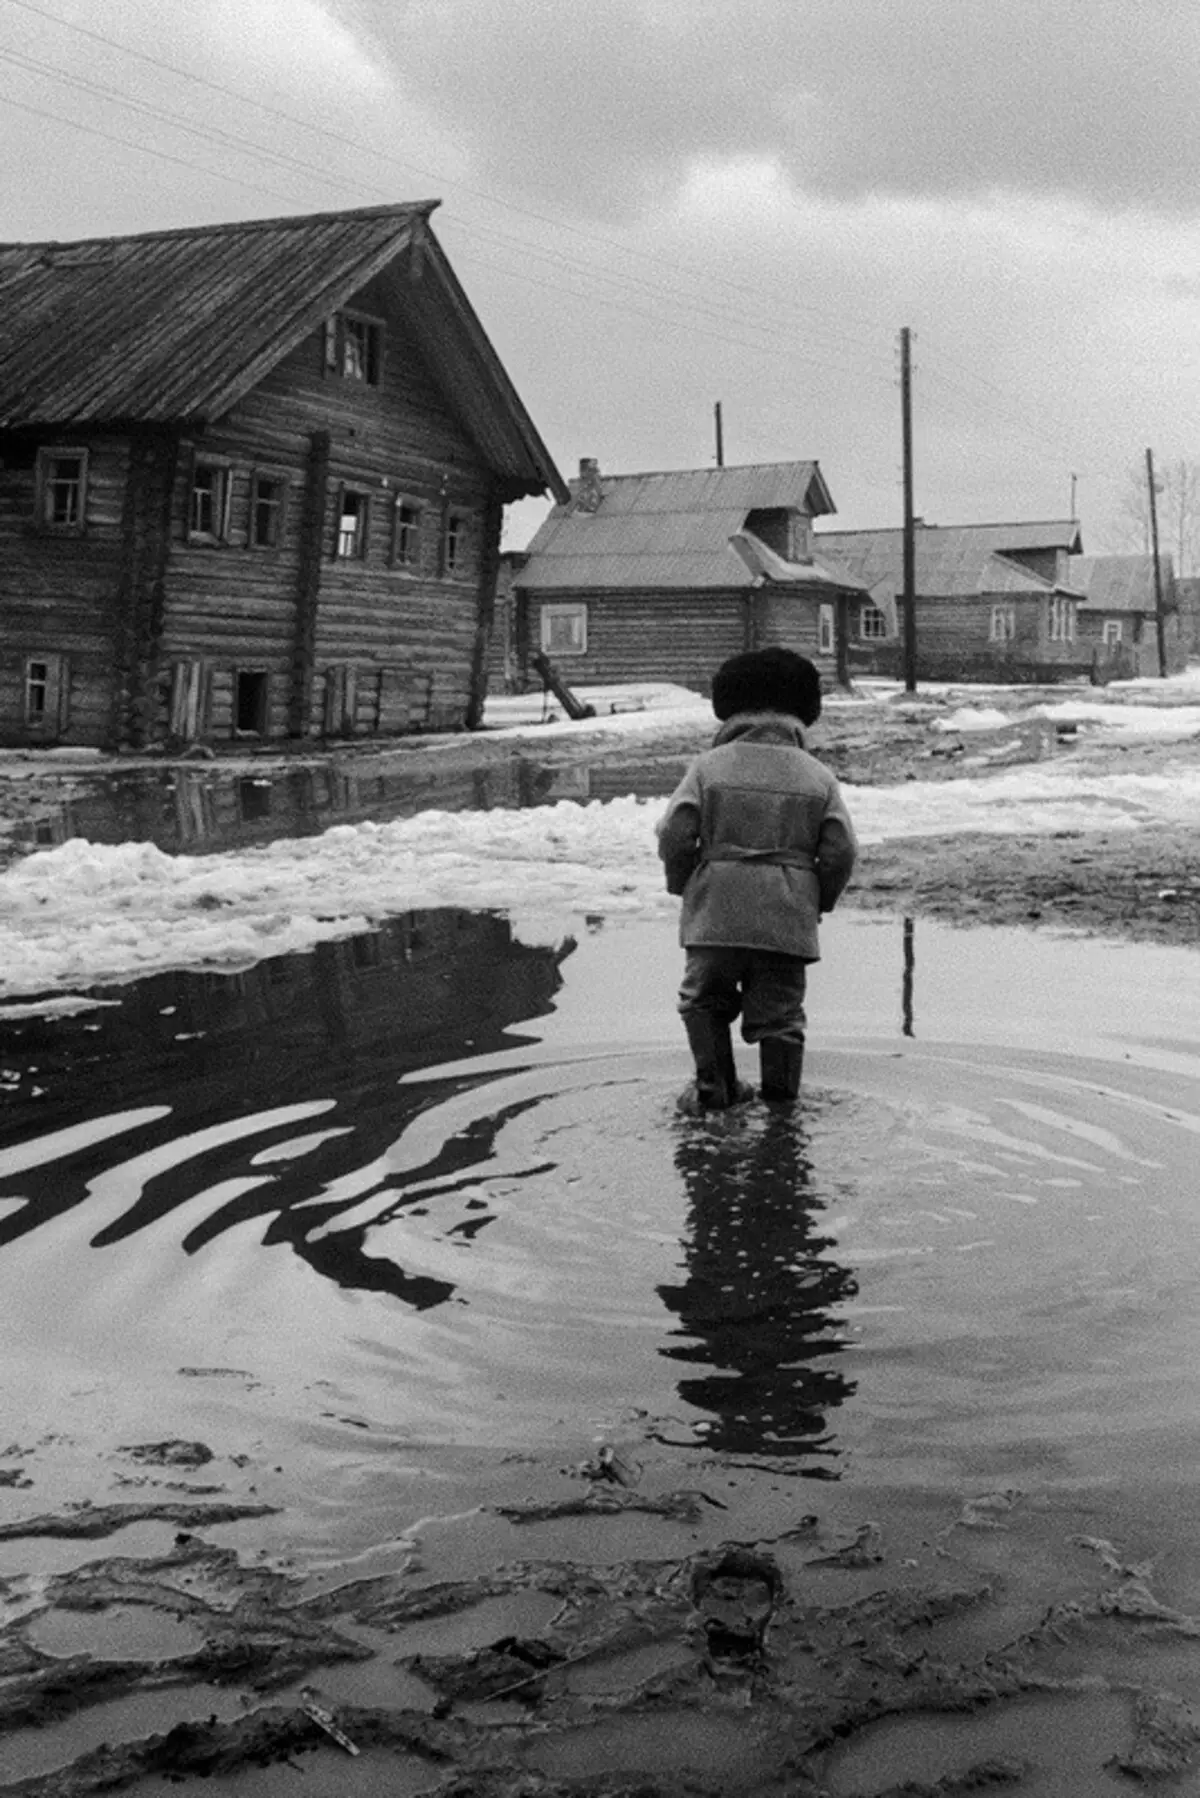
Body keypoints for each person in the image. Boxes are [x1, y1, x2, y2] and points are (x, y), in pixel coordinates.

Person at [656, 646, 858, 1108]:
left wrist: (684, 884)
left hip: (715, 914)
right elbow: (841, 849)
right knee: (782, 1017)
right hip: (786, 919)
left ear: (725, 708)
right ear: (806, 711)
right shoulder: (818, 776)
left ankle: (714, 1090)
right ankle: (783, 1109)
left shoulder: (707, 769)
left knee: (704, 1001)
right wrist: (817, 900)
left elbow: (675, 834)